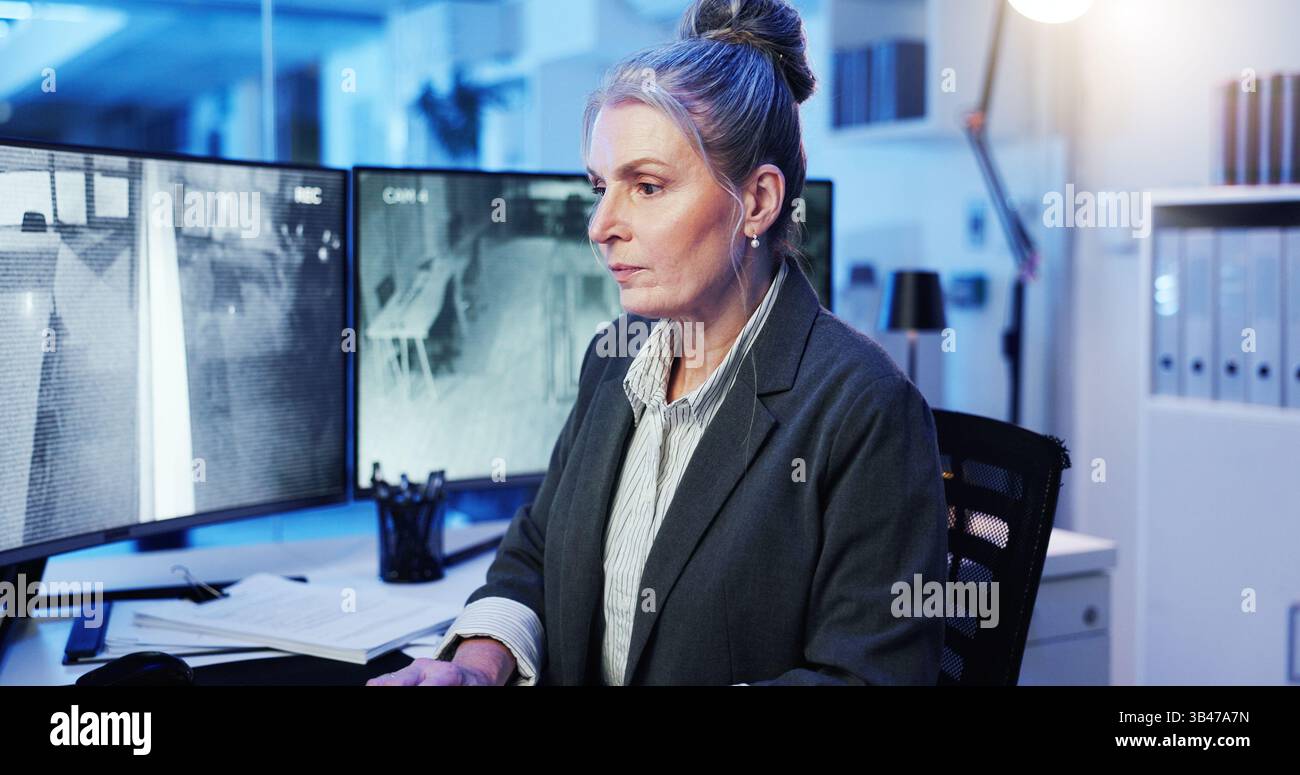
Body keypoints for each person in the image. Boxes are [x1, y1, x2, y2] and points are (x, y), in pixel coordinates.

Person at [369, 0, 948, 687]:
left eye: (646, 187)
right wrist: (475, 664)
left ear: (758, 202)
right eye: (599, 187)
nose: (600, 224)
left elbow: (869, 679)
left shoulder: (863, 409)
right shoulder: (613, 360)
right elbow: (534, 553)